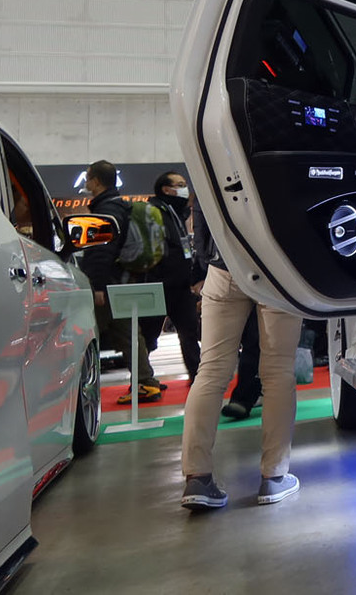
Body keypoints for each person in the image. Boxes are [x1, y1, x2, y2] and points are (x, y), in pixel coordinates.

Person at [180, 196, 303, 510]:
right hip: (279, 265)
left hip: (224, 266)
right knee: (278, 372)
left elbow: (202, 209)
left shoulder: (214, 144)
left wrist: (202, 263)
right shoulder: (282, 145)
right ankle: (273, 477)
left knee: (210, 371)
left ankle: (197, 477)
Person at [80, 160, 161, 403]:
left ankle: (145, 383)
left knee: (87, 332)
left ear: (95, 181)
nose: (86, 183)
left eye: (88, 178)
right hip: (120, 282)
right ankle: (146, 382)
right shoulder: (118, 207)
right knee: (129, 333)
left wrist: (97, 286)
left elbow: (101, 251)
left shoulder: (106, 210)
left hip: (110, 285)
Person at [141, 171, 203, 383]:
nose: (185, 188)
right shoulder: (154, 211)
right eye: (180, 184)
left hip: (180, 285)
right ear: (166, 189)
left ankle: (197, 376)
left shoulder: (177, 212)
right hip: (159, 283)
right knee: (149, 335)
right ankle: (142, 380)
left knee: (189, 331)